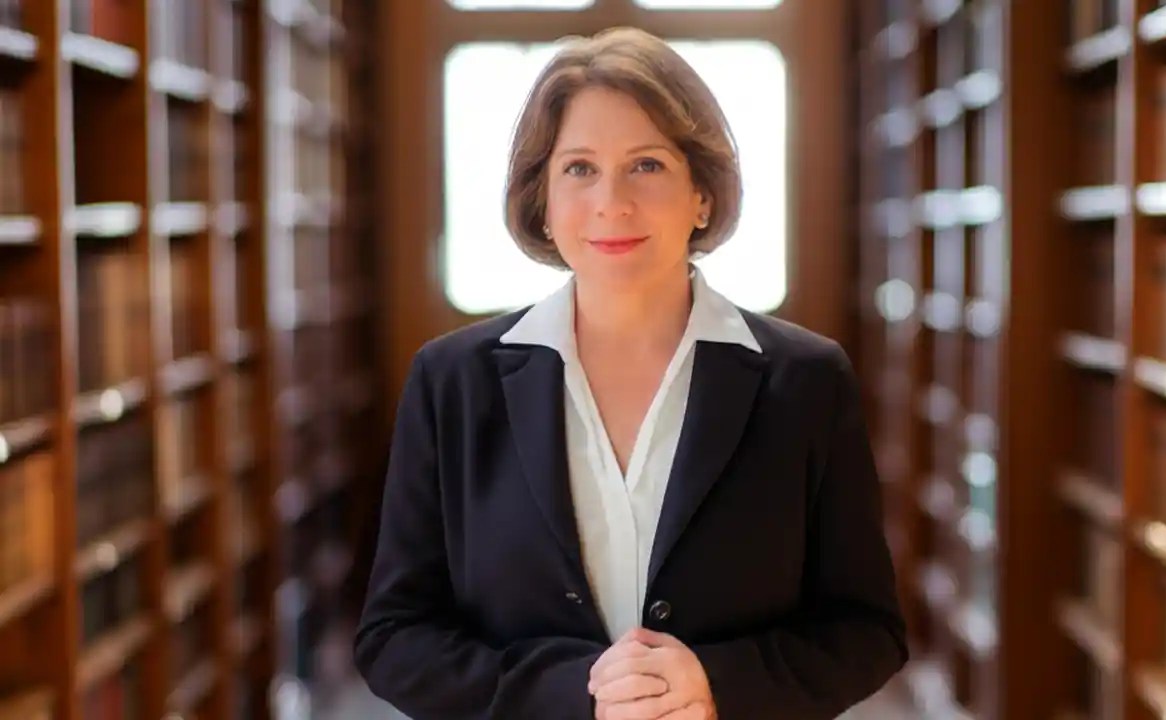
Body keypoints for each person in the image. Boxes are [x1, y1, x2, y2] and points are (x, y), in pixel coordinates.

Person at [353, 26, 907, 720]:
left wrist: (715, 683)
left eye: (646, 165)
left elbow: (868, 633)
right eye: (579, 168)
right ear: (544, 206)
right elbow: (394, 638)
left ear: (701, 194)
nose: (611, 201)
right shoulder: (452, 382)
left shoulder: (806, 382)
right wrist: (576, 693)